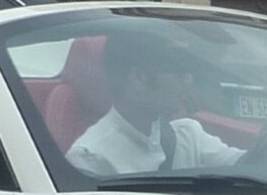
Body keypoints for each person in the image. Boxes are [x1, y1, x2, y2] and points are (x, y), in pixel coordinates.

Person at [66, 26, 249, 178]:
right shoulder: (92, 159)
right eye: (177, 72)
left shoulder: (188, 135)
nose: (188, 81)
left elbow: (246, 166)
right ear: (139, 78)